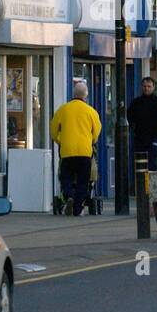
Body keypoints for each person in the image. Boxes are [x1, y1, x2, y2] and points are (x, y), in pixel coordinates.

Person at [50, 82, 102, 217]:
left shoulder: (63, 109)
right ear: (86, 96)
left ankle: (68, 197)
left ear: (73, 94)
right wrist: (91, 142)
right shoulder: (91, 111)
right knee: (83, 181)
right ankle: (78, 208)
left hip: (67, 150)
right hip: (85, 151)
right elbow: (96, 132)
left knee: (66, 177)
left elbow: (53, 130)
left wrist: (60, 141)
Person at [127, 76, 157, 169]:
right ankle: (140, 183)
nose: (146, 88)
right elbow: (129, 118)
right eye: (144, 86)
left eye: (149, 86)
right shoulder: (136, 103)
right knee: (139, 165)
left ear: (154, 87)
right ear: (141, 87)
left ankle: (150, 183)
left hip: (154, 138)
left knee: (152, 163)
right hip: (139, 139)